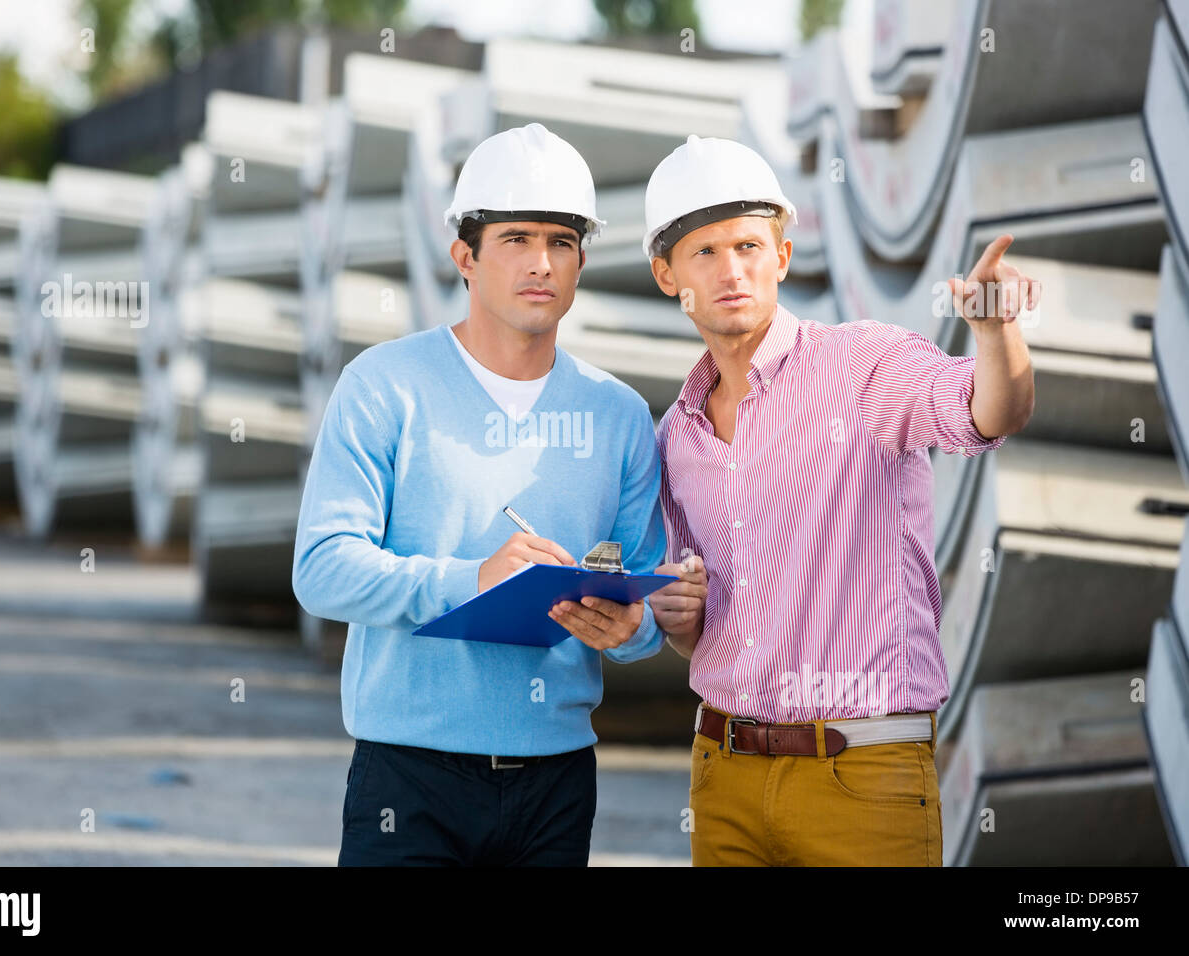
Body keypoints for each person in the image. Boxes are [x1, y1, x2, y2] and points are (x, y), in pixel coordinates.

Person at [643, 134, 1036, 866]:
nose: (733, 270)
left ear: (783, 258)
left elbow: (987, 411)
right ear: (667, 274)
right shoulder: (676, 438)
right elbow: (697, 630)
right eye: (705, 253)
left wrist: (996, 331)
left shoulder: (866, 365)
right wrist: (678, 616)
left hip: (863, 778)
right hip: (722, 775)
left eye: (750, 246)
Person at [293, 123, 669, 866]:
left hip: (557, 787)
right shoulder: (385, 385)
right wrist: (472, 580)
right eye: (517, 239)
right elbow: (322, 568)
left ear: (583, 260)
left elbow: (648, 605)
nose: (542, 263)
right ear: (464, 255)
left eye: (562, 242)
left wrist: (631, 629)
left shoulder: (618, 414)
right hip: (408, 776)